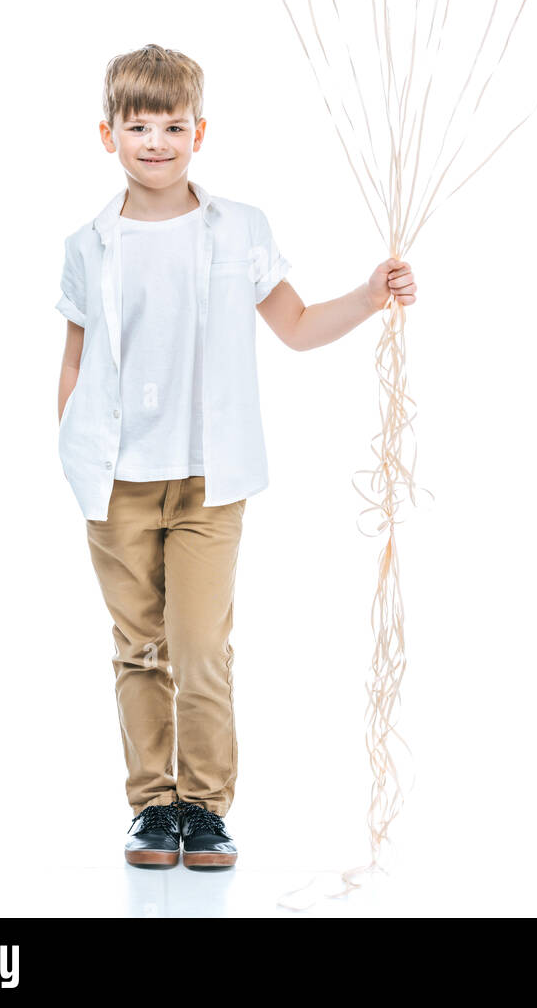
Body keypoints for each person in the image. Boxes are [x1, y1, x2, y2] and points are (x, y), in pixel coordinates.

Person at [55, 43, 417, 870]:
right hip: (114, 481)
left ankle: (204, 806)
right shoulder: (87, 243)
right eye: (137, 125)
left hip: (208, 480)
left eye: (172, 124)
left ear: (200, 131)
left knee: (198, 645)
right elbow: (75, 354)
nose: (155, 141)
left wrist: (368, 296)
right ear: (105, 133)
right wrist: (69, 446)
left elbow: (292, 326)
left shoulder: (238, 229)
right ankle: (152, 805)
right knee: (137, 645)